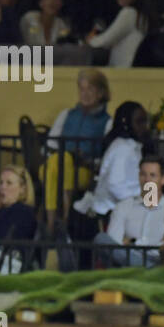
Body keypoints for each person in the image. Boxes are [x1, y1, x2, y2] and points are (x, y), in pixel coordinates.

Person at [66, 101, 150, 269]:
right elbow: (115, 185)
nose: (144, 126)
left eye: (145, 121)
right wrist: (141, 197)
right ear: (126, 124)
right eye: (139, 121)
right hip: (105, 215)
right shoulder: (122, 148)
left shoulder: (132, 146)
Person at [43, 68, 112, 231]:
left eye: (91, 89)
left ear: (101, 92)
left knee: (61, 162)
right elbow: (49, 145)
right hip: (54, 168)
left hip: (83, 173)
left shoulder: (108, 122)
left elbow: (106, 160)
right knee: (60, 160)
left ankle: (52, 223)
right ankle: (63, 219)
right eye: (82, 89)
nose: (85, 93)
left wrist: (86, 160)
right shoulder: (66, 114)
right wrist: (61, 155)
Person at [93, 156, 164, 267]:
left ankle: (148, 270)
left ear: (163, 179)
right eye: (143, 174)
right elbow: (115, 245)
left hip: (160, 261)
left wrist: (131, 242)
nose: (147, 180)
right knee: (101, 239)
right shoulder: (124, 206)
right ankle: (148, 271)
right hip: (129, 260)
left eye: (152, 175)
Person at [0, 166, 38, 272]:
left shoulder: (22, 212)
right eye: (1, 183)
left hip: (1, 268)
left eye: (9, 183)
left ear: (22, 189)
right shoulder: (3, 211)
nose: (2, 187)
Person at [86, 0, 149, 68]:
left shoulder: (129, 13)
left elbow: (106, 40)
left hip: (122, 69)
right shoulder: (141, 15)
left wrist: (90, 40)